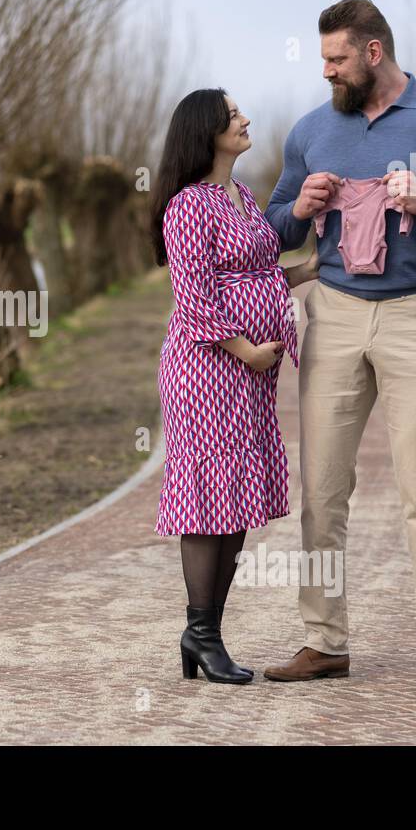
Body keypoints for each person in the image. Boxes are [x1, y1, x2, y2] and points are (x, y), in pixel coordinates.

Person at [262, 0, 416, 701]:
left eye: (336, 59)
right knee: (322, 489)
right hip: (335, 313)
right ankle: (324, 642)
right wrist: (300, 209)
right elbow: (273, 231)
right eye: (322, 60)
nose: (326, 72)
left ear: (373, 53)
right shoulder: (313, 132)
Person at [150, 88, 318, 684]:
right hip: (207, 371)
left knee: (237, 496)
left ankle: (206, 635)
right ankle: (200, 635)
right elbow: (194, 298)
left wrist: (312, 267)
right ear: (206, 133)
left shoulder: (244, 198)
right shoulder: (188, 207)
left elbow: (262, 274)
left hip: (250, 377)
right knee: (207, 500)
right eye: (232, 116)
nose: (245, 120)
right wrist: (245, 348)